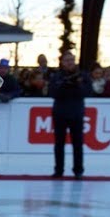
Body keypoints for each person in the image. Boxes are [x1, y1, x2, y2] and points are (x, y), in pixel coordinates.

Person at [48, 50, 86, 178]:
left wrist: (77, 84)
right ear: (62, 62)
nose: (70, 63)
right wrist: (64, 85)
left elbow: (87, 91)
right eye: (67, 60)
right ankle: (59, 170)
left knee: (78, 143)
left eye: (72, 60)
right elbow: (52, 93)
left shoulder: (82, 75)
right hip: (60, 113)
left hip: (77, 113)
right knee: (59, 143)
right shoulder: (57, 76)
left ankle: (78, 170)